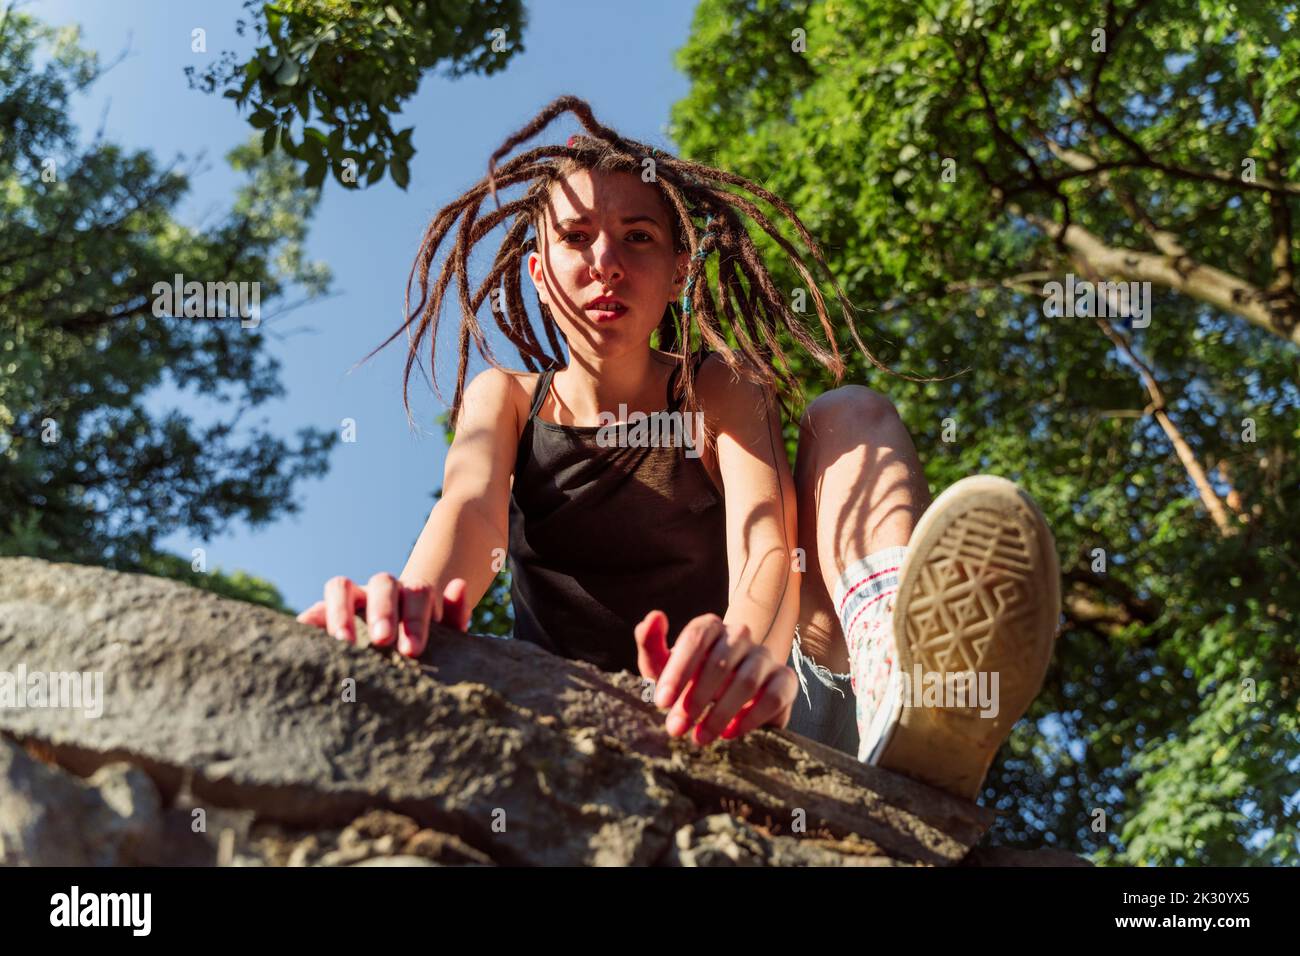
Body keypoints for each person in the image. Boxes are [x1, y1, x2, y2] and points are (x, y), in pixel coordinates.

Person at [296, 96, 1060, 801]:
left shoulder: (719, 386)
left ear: (678, 272)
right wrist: (407, 610)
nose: (607, 262)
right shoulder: (506, 396)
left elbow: (768, 538)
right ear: (538, 271)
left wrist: (745, 651)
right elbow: (469, 515)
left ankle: (910, 691)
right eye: (575, 237)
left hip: (767, 701)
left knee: (848, 412)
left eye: (638, 238)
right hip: (584, 718)